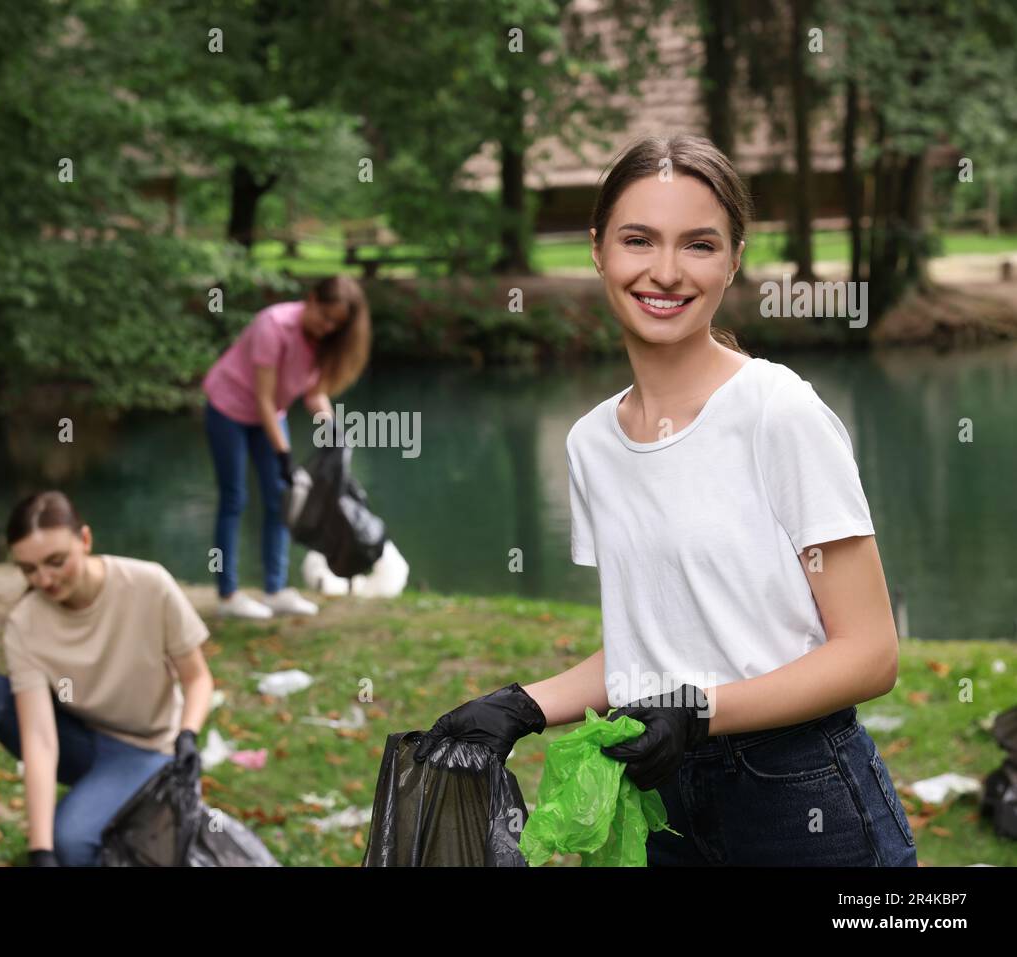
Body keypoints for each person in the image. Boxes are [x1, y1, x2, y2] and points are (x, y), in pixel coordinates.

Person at [415, 134, 918, 867]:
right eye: (638, 239)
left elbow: (871, 655)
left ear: (735, 258)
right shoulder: (592, 444)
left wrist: (702, 711)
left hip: (799, 795)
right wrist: (523, 703)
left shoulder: (778, 412)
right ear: (597, 250)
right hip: (661, 795)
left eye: (700, 244)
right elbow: (657, 645)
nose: (666, 271)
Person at [0, 491, 214, 866]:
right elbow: (39, 737)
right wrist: (40, 850)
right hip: (80, 740)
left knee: (72, 844)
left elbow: (197, 678)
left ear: (84, 540)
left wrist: (188, 735)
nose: (45, 579)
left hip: (147, 748)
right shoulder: (26, 622)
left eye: (56, 562)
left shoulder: (149, 584)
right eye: (29, 570)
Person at [201, 276, 371, 619]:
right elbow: (263, 399)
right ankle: (228, 596)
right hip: (228, 408)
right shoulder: (273, 325)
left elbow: (313, 393)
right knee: (234, 499)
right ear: (311, 299)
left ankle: (276, 589)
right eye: (325, 317)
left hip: (268, 413)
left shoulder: (323, 342)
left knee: (282, 497)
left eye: (336, 324)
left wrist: (332, 426)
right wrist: (283, 454)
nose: (327, 328)